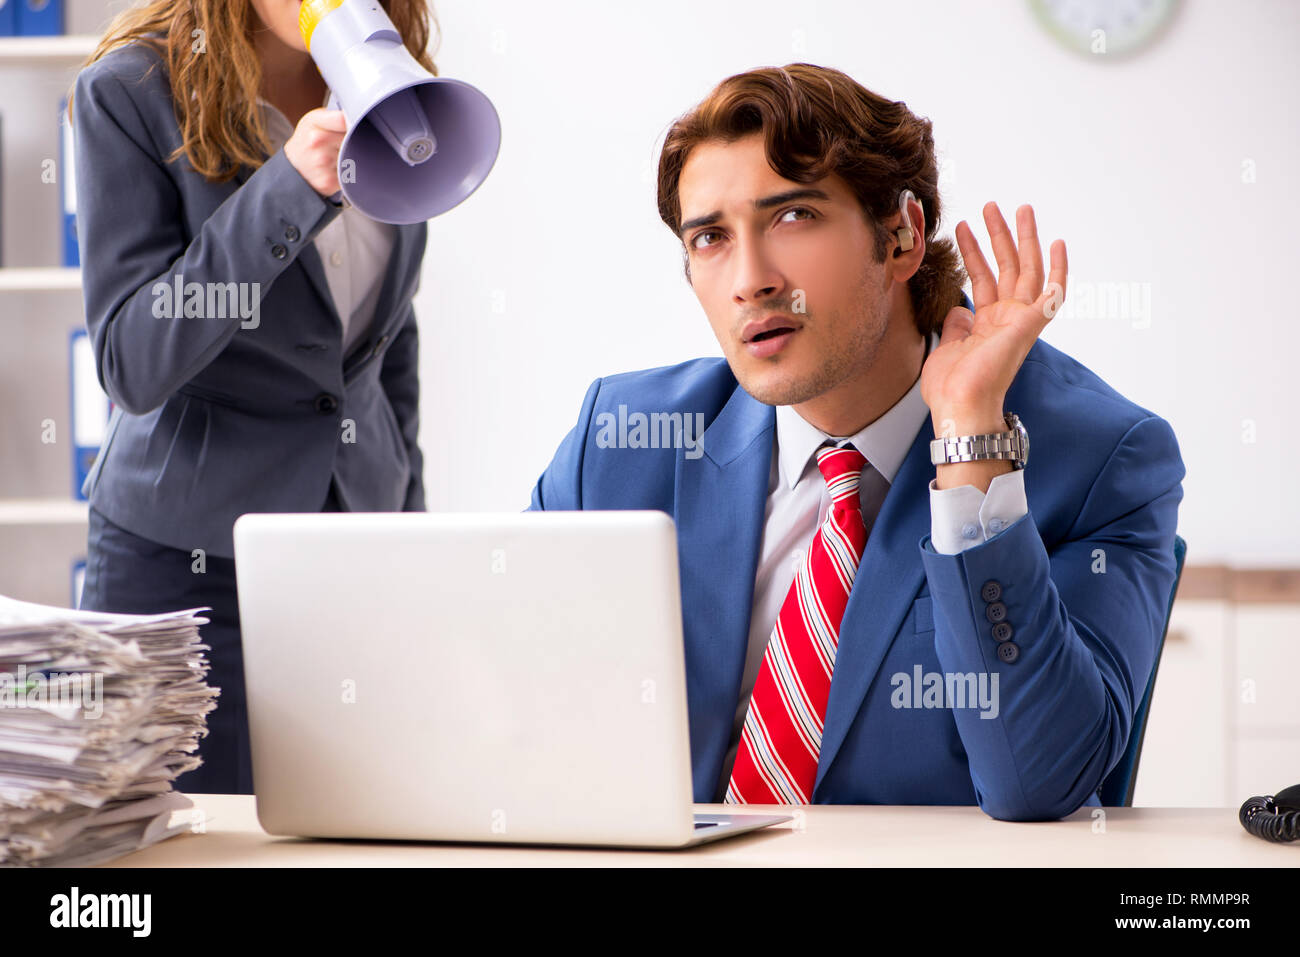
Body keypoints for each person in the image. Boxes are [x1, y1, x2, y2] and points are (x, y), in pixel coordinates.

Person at [529, 63, 1185, 821]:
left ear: (902, 235)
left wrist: (971, 447)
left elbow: (1039, 783)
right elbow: (506, 709)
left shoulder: (1105, 459)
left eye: (793, 217)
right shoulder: (619, 443)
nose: (750, 280)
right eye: (710, 237)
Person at [68, 0, 438, 794]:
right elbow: (131, 360)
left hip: (355, 554)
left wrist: (410, 534)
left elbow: (383, 344)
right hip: (187, 567)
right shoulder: (128, 91)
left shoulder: (391, 86)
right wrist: (287, 189)